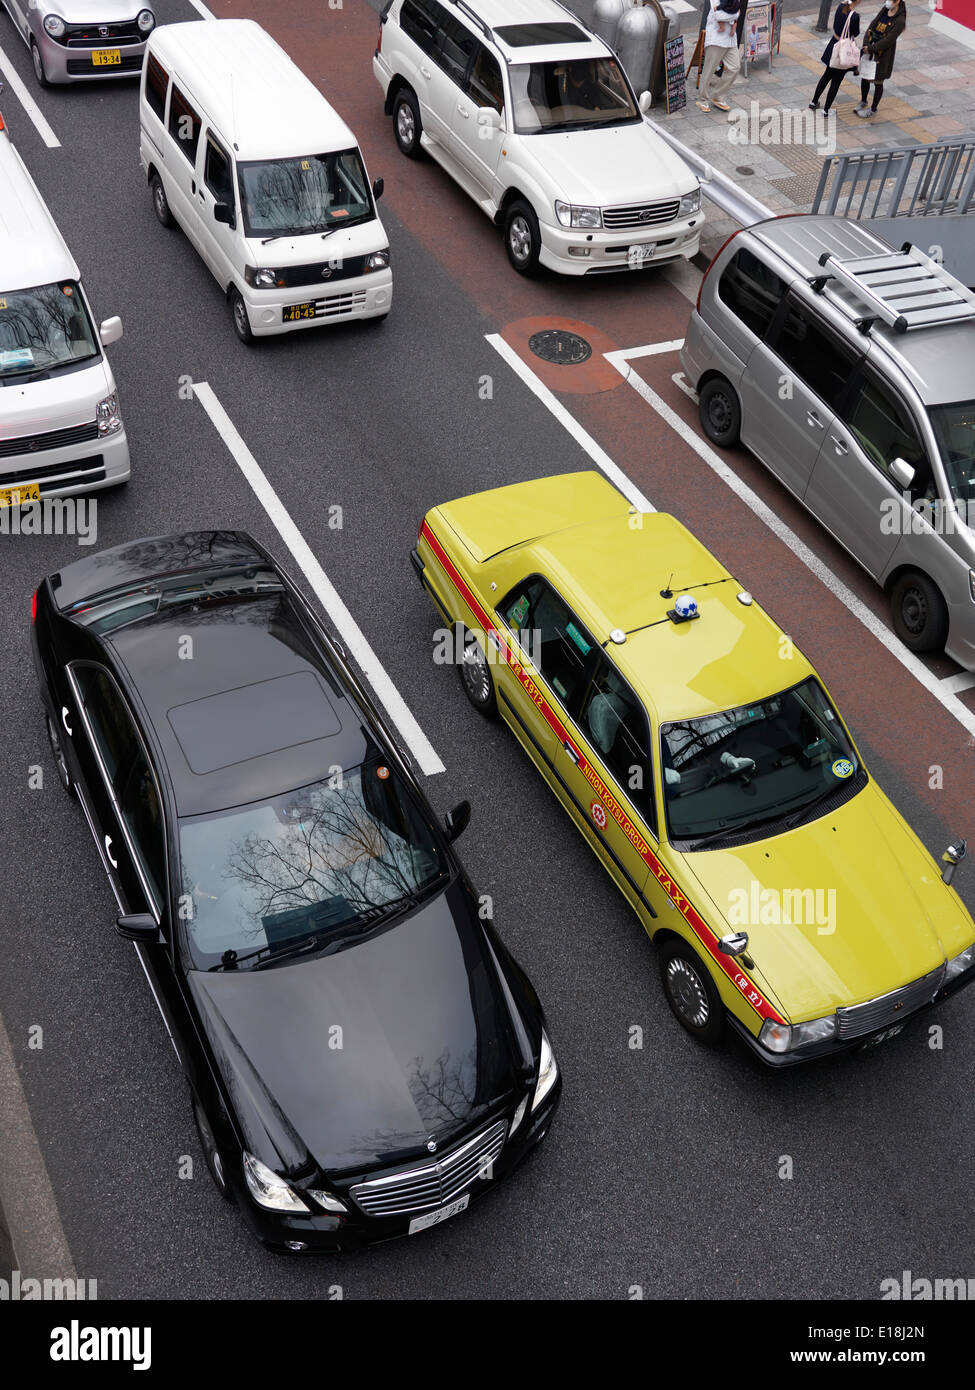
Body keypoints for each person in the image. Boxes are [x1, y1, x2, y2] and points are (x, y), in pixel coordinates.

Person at [809, 0, 861, 115]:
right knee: (836, 82)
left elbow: (835, 25)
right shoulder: (855, 16)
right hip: (843, 49)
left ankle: (813, 102)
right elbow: (855, 33)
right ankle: (826, 110)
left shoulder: (841, 6)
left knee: (826, 75)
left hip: (834, 44)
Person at [856, 0, 907, 117]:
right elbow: (871, 27)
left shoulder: (900, 21)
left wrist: (871, 48)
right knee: (865, 76)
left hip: (881, 55)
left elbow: (888, 40)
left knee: (878, 81)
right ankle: (863, 101)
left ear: (898, 1)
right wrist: (866, 44)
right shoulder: (885, 10)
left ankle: (873, 109)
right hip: (869, 49)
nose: (888, 2)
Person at [697, 0, 742, 114]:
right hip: (716, 39)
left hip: (731, 39)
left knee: (734, 67)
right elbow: (719, 14)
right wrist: (735, 15)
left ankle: (718, 96)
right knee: (709, 70)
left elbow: (737, 10)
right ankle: (702, 99)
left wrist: (735, 14)